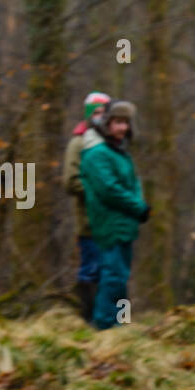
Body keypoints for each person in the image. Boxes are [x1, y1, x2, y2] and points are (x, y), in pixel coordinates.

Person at [79, 101, 149, 329]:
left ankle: (122, 322)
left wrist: (139, 204)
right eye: (118, 122)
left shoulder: (119, 153)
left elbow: (133, 182)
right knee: (112, 276)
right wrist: (137, 207)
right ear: (108, 123)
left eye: (126, 123)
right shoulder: (97, 154)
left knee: (121, 277)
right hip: (109, 222)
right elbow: (109, 190)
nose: (122, 128)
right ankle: (105, 325)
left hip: (125, 222)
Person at [64, 91, 110, 320]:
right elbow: (71, 182)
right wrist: (99, 191)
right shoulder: (78, 143)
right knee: (91, 269)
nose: (101, 118)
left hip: (112, 222)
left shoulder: (112, 144)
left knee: (110, 271)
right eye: (98, 113)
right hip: (90, 221)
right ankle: (88, 319)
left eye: (105, 113)